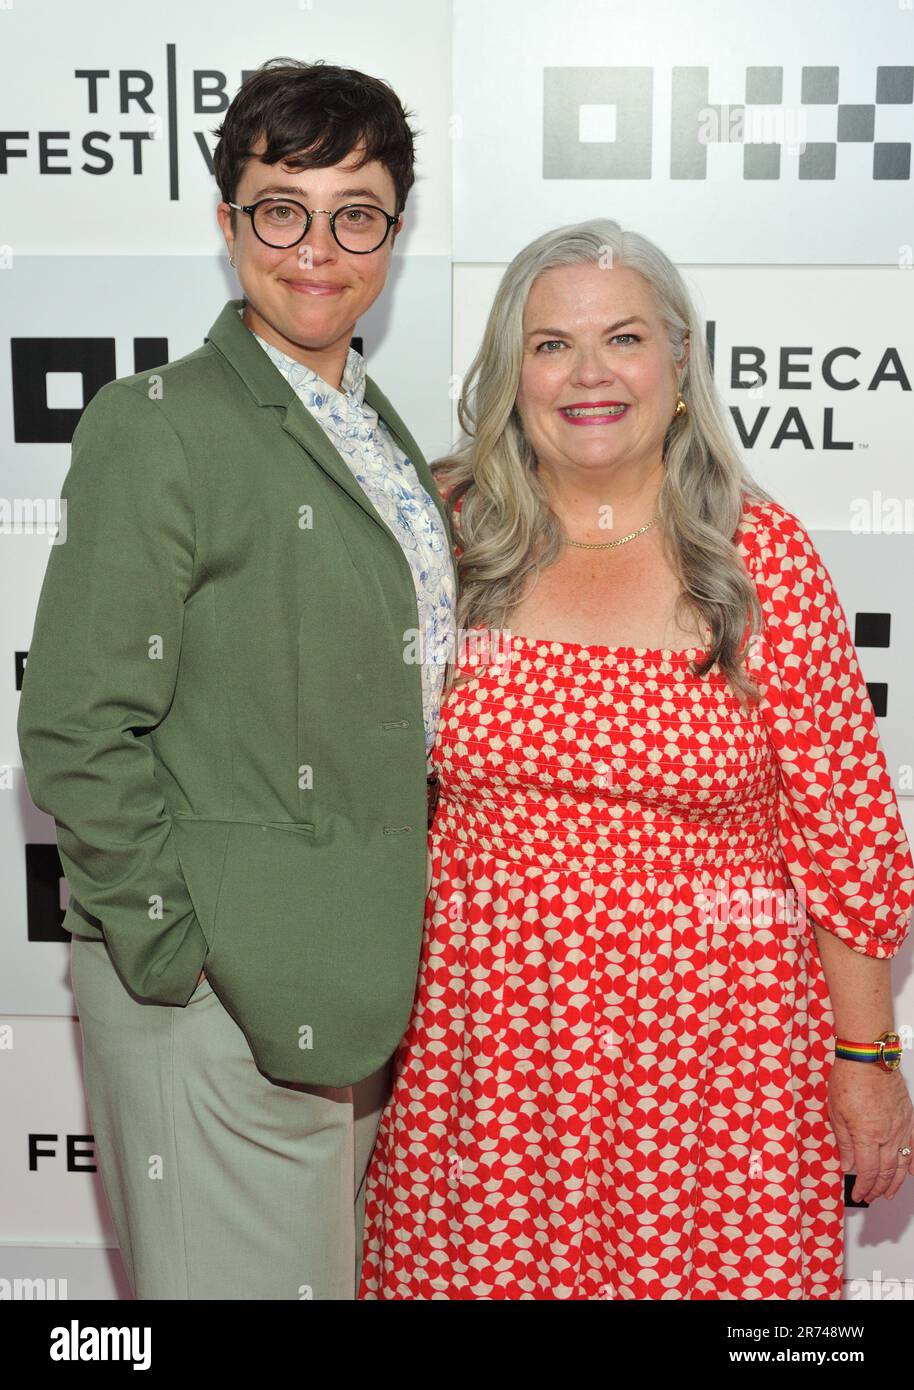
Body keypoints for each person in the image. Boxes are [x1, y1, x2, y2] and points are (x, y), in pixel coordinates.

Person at [358, 217, 914, 1300]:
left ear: (677, 360)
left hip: (720, 1067)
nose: (588, 374)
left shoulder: (760, 562)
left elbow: (845, 841)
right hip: (488, 1057)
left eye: (621, 338)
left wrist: (866, 1064)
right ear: (508, 371)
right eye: (550, 344)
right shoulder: (443, 536)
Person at [17, 57, 456, 1300]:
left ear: (393, 233)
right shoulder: (160, 421)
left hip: (352, 991)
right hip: (213, 1000)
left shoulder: (377, 436)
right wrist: (177, 960)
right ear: (227, 224)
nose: (315, 247)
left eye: (354, 213)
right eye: (280, 207)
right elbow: (76, 726)